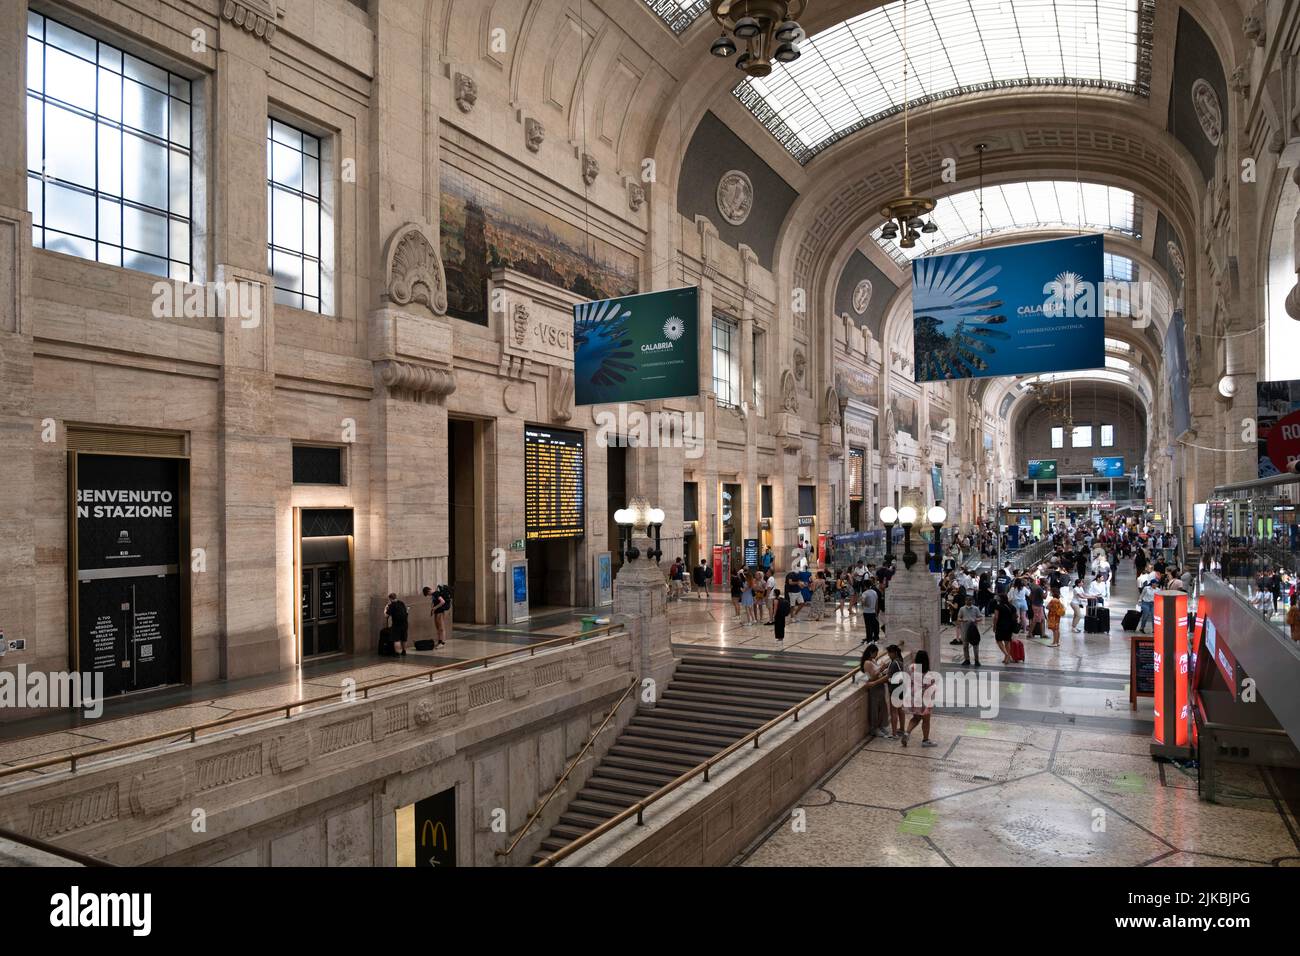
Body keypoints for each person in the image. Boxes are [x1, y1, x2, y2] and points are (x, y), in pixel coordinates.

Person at [899, 650, 936, 747]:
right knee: (926, 720)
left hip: (913, 698)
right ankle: (925, 740)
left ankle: (907, 733)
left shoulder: (911, 668)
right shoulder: (929, 676)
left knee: (916, 717)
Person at [860, 643, 892, 738]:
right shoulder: (867, 663)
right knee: (875, 708)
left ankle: (881, 725)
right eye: (875, 653)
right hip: (874, 688)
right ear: (870, 652)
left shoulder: (873, 660)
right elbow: (872, 677)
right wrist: (881, 669)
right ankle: (874, 728)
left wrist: (883, 669)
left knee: (882, 708)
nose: (876, 655)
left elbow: (878, 672)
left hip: (880, 686)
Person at [884, 644, 908, 739]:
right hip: (901, 688)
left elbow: (892, 678)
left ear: (893, 653)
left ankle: (894, 734)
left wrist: (888, 679)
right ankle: (901, 729)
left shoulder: (895, 663)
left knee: (893, 711)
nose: (888, 655)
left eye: (889, 653)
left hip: (895, 689)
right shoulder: (899, 661)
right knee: (900, 709)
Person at [957, 596, 982, 666]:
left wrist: (976, 620)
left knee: (975, 645)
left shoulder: (976, 609)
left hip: (973, 630)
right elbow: (958, 618)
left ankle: (977, 660)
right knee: (965, 645)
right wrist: (962, 620)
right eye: (967, 600)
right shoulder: (962, 609)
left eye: (970, 600)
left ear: (973, 601)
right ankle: (967, 659)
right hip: (965, 630)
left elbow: (980, 617)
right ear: (965, 601)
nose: (969, 602)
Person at [992, 594, 1018, 664]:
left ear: (1000, 599)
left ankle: (1006, 655)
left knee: (998, 641)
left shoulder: (998, 606)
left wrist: (994, 626)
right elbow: (1016, 616)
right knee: (1007, 642)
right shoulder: (1012, 607)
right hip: (1010, 626)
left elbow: (996, 617)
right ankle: (1007, 658)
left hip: (1001, 626)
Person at [384, 592, 408, 657]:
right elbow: (406, 611)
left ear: (390, 599)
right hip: (405, 623)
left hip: (396, 624)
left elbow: (386, 615)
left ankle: (397, 653)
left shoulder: (392, 605)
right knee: (404, 638)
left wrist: (386, 608)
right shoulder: (401, 603)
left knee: (396, 639)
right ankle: (404, 651)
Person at [860, 577, 880, 646]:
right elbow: (877, 603)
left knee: (868, 626)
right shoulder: (874, 592)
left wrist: (865, 604)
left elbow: (863, 602)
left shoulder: (864, 593)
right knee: (874, 625)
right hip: (873, 612)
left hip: (867, 612)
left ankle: (869, 639)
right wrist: (876, 612)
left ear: (865, 586)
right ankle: (875, 638)